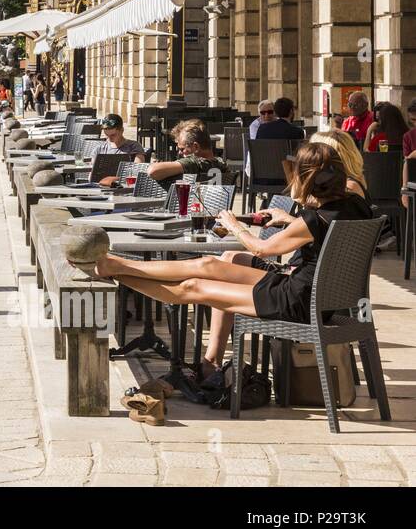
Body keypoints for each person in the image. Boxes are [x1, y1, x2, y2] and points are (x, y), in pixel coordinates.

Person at [97, 142, 373, 382]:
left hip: (296, 301)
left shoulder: (312, 219)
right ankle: (121, 267)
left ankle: (119, 272)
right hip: (311, 292)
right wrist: (290, 218)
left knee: (194, 287)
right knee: (209, 265)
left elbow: (262, 249)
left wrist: (233, 225)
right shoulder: (356, 206)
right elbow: (325, 227)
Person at [147, 119, 227, 186]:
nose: (180, 153)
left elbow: (153, 171)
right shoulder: (221, 164)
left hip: (191, 203)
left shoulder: (193, 163)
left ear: (196, 147)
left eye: (182, 149)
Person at [95, 114, 148, 185]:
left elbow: (138, 170)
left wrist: (114, 179)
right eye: (107, 135)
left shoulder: (133, 146)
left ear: (122, 130)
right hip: (101, 187)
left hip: (124, 187)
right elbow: (92, 174)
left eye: (113, 135)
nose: (109, 138)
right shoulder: (100, 148)